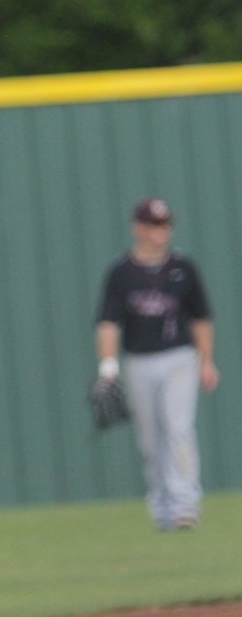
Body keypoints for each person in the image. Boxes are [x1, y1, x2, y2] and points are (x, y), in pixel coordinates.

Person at [95, 197, 219, 531]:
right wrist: (108, 365)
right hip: (139, 359)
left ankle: (184, 507)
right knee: (150, 441)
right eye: (154, 225)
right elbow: (108, 322)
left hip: (180, 356)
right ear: (139, 228)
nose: (160, 231)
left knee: (178, 429)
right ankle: (163, 508)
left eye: (165, 224)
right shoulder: (122, 273)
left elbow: (201, 318)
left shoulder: (183, 268)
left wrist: (207, 360)